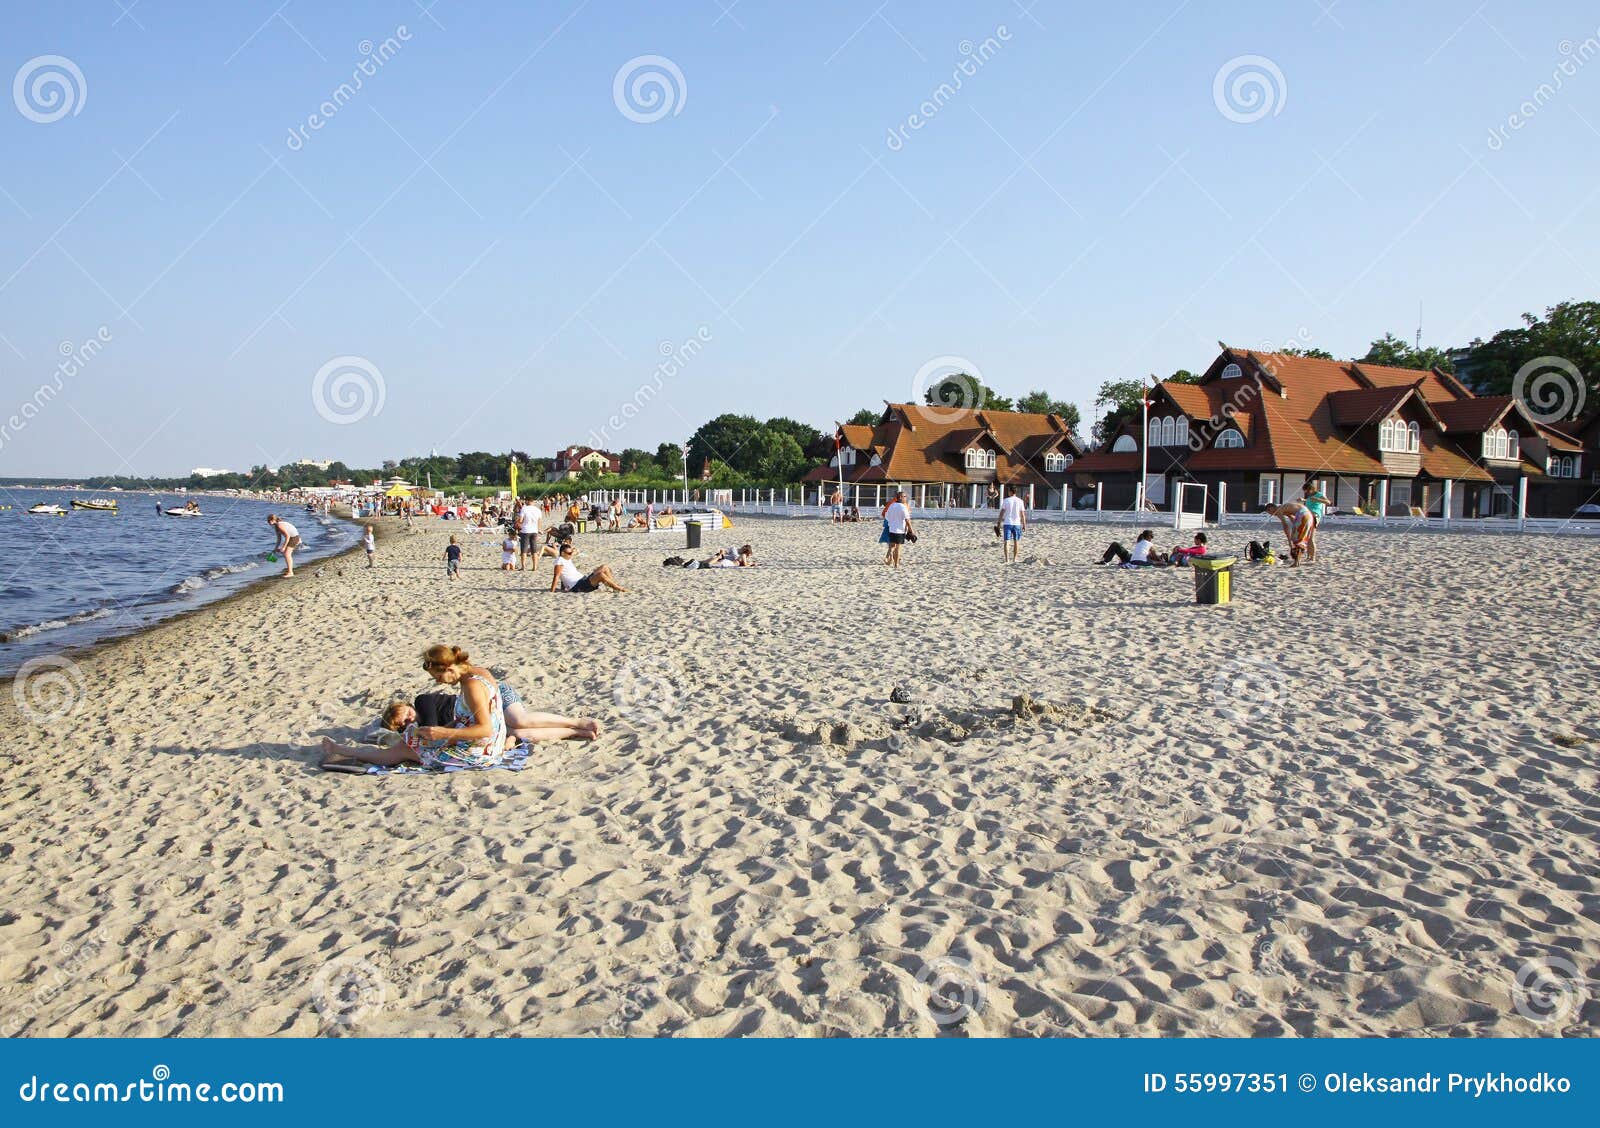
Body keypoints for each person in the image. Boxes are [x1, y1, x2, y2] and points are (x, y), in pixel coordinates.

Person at [321, 646, 508, 770]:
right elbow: (472, 717)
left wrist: (443, 733)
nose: (437, 681)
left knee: (403, 750)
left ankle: (347, 752)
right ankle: (352, 752)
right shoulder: (479, 673)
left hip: (479, 752)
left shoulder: (471, 686)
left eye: (438, 676)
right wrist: (446, 728)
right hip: (489, 745)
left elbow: (485, 729)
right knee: (412, 738)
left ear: (449, 668)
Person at [383, 693, 600, 746]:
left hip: (492, 699)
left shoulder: (421, 701)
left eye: (399, 714)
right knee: (520, 734)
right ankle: (574, 732)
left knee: (519, 720)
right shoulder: (421, 728)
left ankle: (575, 721)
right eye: (400, 724)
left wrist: (420, 731)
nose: (404, 720)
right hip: (481, 721)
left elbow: (433, 727)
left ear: (403, 705)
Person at [551, 540, 627, 593]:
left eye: (571, 552)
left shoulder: (566, 558)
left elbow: (564, 574)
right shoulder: (559, 561)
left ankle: (614, 586)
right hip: (578, 586)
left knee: (604, 567)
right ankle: (618, 588)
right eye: (569, 553)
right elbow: (557, 576)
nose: (571, 554)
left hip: (583, 580)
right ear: (563, 553)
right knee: (600, 575)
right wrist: (552, 591)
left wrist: (563, 587)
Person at [1098, 529, 1166, 566]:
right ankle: (1105, 560)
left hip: (1132, 559)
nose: (1152, 538)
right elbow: (1153, 555)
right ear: (1148, 537)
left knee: (1115, 544)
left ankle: (1105, 560)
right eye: (1152, 537)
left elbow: (1143, 551)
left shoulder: (1140, 541)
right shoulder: (1149, 544)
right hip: (1134, 559)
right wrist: (1160, 561)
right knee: (1115, 544)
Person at [1300, 480, 1330, 562]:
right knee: (1307, 538)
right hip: (1307, 515)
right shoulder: (1309, 496)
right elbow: (1310, 502)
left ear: (1311, 489)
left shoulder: (1319, 494)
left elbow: (1328, 502)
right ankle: (1309, 556)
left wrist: (1318, 499)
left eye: (1307, 491)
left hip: (1315, 515)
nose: (1307, 493)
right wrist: (1303, 500)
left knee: (1311, 538)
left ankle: (1312, 557)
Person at [882, 491, 914, 567]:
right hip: (900, 530)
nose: (906, 498)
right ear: (900, 497)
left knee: (892, 546)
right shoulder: (903, 507)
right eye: (905, 497)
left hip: (892, 529)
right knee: (898, 548)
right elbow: (907, 520)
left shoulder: (891, 506)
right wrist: (911, 530)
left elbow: (887, 517)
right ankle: (896, 564)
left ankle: (887, 556)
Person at [999, 485, 1027, 564]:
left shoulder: (1006, 500)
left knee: (1007, 541)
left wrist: (999, 522)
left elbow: (1002, 513)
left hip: (1007, 523)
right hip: (1017, 524)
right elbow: (1022, 514)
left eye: (1008, 491)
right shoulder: (1020, 501)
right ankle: (1014, 559)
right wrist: (1024, 524)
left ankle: (1007, 559)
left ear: (1010, 492)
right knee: (1016, 541)